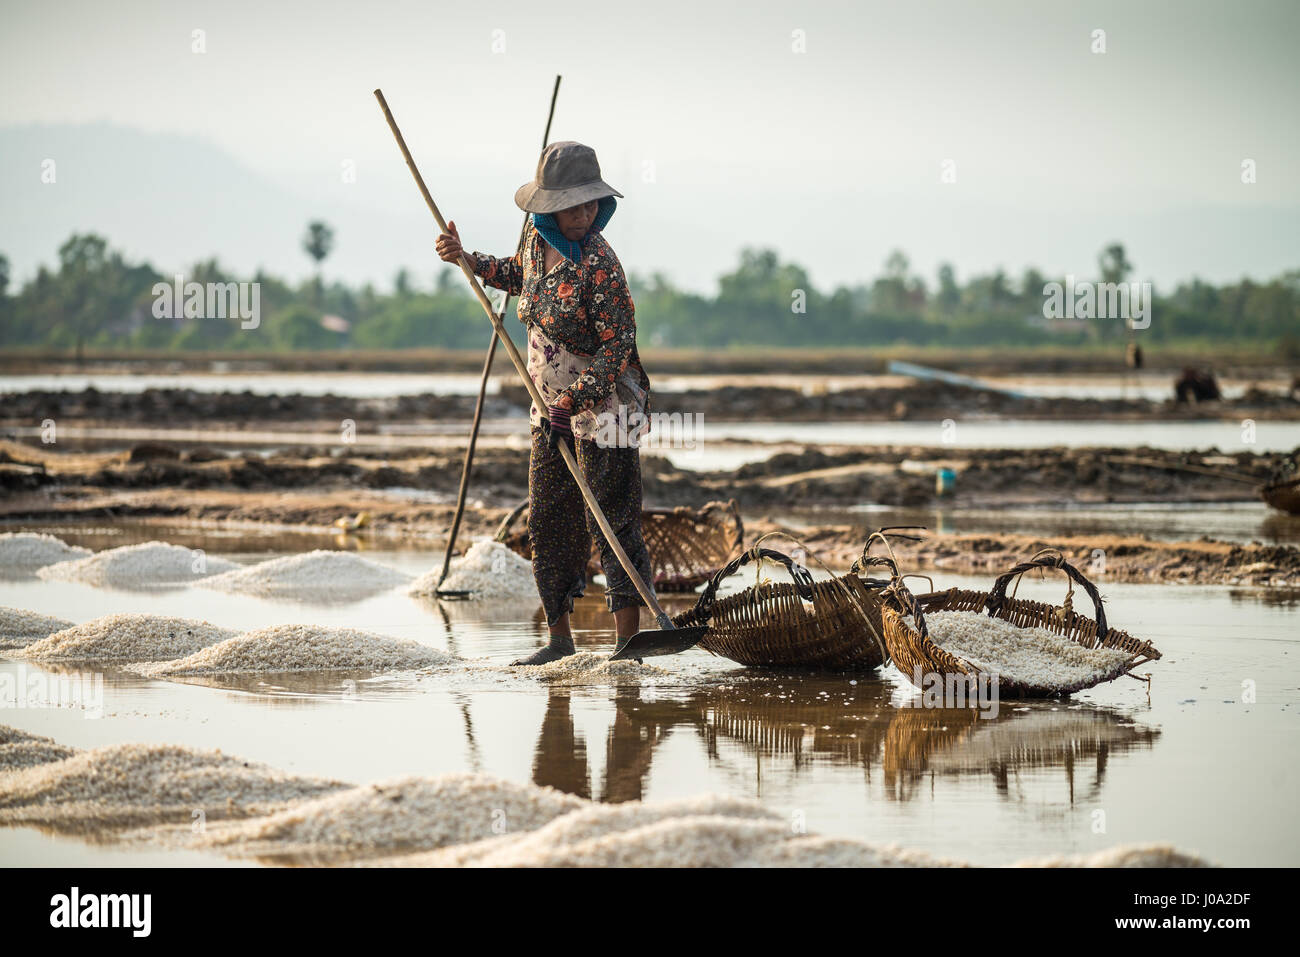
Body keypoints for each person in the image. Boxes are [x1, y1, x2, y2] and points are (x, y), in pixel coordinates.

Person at [436, 140, 656, 665]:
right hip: (548, 405)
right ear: (549, 208)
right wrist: (466, 259)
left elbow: (617, 348)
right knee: (550, 519)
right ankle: (559, 642)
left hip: (607, 410)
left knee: (613, 521)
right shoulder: (537, 244)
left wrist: (575, 400)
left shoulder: (601, 265)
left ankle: (628, 647)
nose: (582, 215)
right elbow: (516, 276)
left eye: (588, 204)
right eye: (571, 206)